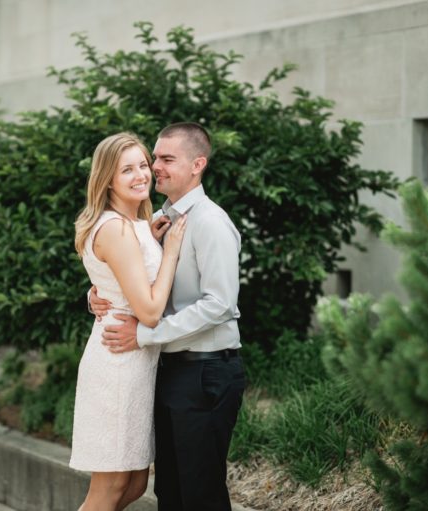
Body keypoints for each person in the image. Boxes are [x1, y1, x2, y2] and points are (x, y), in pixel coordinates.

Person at [90, 122, 245, 511]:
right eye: (153, 157)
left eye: (165, 159)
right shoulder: (158, 220)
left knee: (200, 495)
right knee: (171, 494)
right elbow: (130, 274)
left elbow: (220, 304)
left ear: (198, 164)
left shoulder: (209, 222)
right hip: (169, 370)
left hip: (206, 372)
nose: (154, 167)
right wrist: (97, 295)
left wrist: (143, 335)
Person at [70, 132, 188, 511]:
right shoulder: (116, 228)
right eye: (127, 170)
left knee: (135, 483)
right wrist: (169, 252)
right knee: (110, 486)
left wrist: (150, 240)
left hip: (136, 366)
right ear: (107, 179)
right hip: (118, 365)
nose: (141, 175)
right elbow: (150, 311)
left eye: (142, 165)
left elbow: (111, 278)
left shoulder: (132, 223)